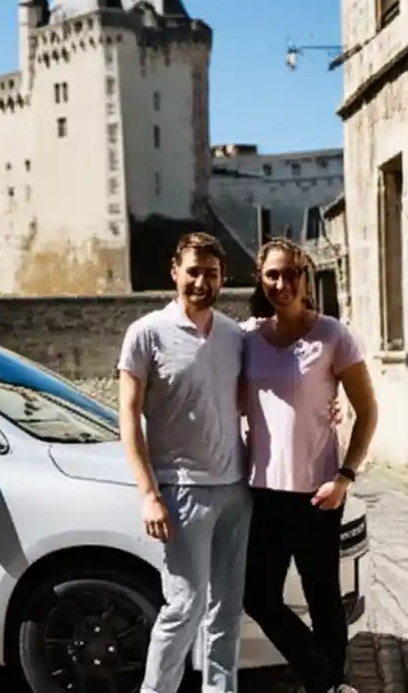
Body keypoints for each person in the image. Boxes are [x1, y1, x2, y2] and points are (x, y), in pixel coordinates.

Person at [239, 236, 378, 693]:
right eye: (273, 274)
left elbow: (367, 411)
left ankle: (328, 688)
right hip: (264, 492)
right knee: (258, 596)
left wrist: (345, 477)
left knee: (323, 600)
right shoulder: (246, 339)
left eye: (292, 272)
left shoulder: (333, 335)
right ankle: (327, 680)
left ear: (307, 277)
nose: (283, 283)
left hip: (319, 494)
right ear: (261, 280)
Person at [117, 232, 252, 693]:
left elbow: (256, 402)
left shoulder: (236, 336)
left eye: (211, 273)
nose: (201, 281)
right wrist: (149, 495)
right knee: (184, 606)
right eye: (192, 271)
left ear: (223, 278)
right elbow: (128, 418)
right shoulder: (146, 334)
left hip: (236, 488)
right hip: (181, 490)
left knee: (226, 610)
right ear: (175, 271)